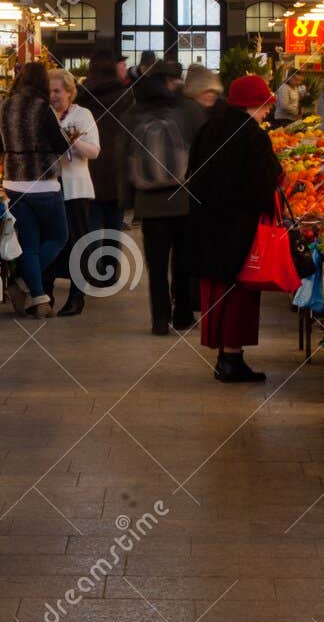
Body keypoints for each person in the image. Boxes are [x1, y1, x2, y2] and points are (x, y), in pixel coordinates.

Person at [187, 74, 285, 382]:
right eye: (264, 104)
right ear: (252, 103)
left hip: (207, 224)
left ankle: (225, 356)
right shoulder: (253, 136)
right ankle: (231, 358)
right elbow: (266, 182)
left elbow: (193, 173)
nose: (268, 110)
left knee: (218, 289)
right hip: (239, 228)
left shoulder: (209, 128)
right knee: (239, 292)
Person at [120, 66, 201, 335]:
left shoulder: (133, 115)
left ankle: (159, 320)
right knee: (183, 261)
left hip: (149, 204)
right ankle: (182, 315)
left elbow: (123, 160)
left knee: (155, 266)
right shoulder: (185, 112)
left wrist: (127, 202)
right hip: (182, 200)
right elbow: (201, 152)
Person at [0, 62, 71, 318]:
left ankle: (40, 300)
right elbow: (60, 145)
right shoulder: (42, 108)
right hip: (43, 183)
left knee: (29, 242)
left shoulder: (3, 106)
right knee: (59, 237)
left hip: (12, 182)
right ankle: (22, 284)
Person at [48, 67, 101, 317]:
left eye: (57, 91)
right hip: (49, 186)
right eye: (49, 91)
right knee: (52, 241)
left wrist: (72, 139)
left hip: (76, 188)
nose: (53, 96)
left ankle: (77, 297)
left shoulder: (83, 115)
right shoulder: (45, 115)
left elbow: (94, 152)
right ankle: (45, 295)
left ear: (69, 93)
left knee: (77, 243)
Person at [78, 50, 131, 242]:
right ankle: (109, 271)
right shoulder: (126, 97)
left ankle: (90, 270)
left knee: (89, 233)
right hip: (116, 175)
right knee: (113, 234)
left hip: (87, 172)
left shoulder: (81, 98)